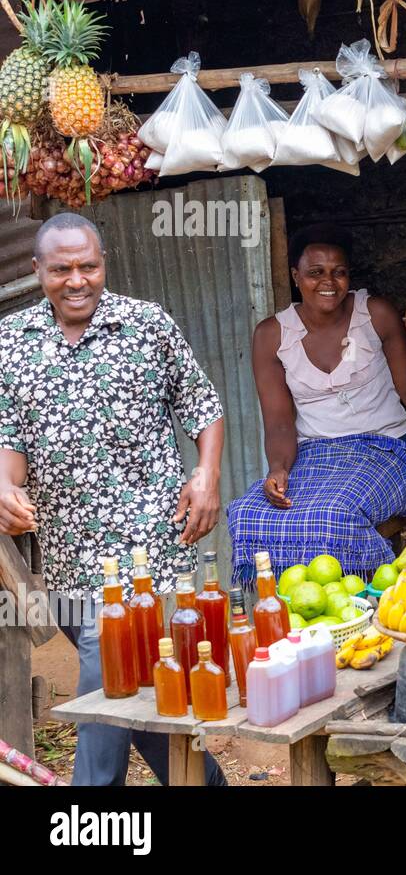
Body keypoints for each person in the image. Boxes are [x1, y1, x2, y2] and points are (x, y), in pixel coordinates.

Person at [0, 213, 227, 785]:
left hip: (151, 539)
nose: (77, 280)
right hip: (71, 551)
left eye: (88, 266)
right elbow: (11, 439)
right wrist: (4, 486)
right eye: (61, 269)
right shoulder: (11, 343)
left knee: (111, 658)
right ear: (37, 271)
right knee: (132, 689)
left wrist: (206, 475)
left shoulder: (146, 325)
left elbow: (202, 406)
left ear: (104, 264)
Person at [227, 225, 406, 586]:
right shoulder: (271, 335)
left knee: (334, 514)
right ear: (296, 277)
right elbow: (280, 422)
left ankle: (367, 601)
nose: (328, 282)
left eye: (338, 272)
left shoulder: (374, 314)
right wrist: (279, 468)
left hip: (387, 449)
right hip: (315, 456)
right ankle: (292, 611)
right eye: (315, 273)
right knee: (249, 512)